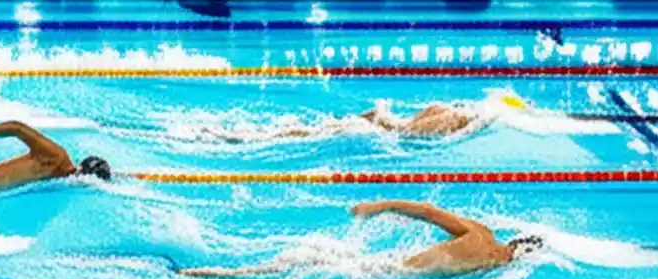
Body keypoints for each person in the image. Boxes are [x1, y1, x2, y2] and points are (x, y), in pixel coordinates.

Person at [179, 200, 544, 278]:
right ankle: (209, 274)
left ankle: (211, 271)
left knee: (286, 265)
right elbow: (430, 212)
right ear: (516, 254)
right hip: (380, 271)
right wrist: (380, 205)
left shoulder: (484, 241)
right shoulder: (486, 252)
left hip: (380, 266)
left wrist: (381, 207)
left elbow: (431, 213)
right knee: (269, 272)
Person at [194, 101, 486, 144]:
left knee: (305, 132)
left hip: (370, 123)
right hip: (368, 131)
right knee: (302, 135)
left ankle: (241, 135)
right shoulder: (453, 120)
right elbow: (405, 135)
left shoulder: (443, 107)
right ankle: (240, 137)